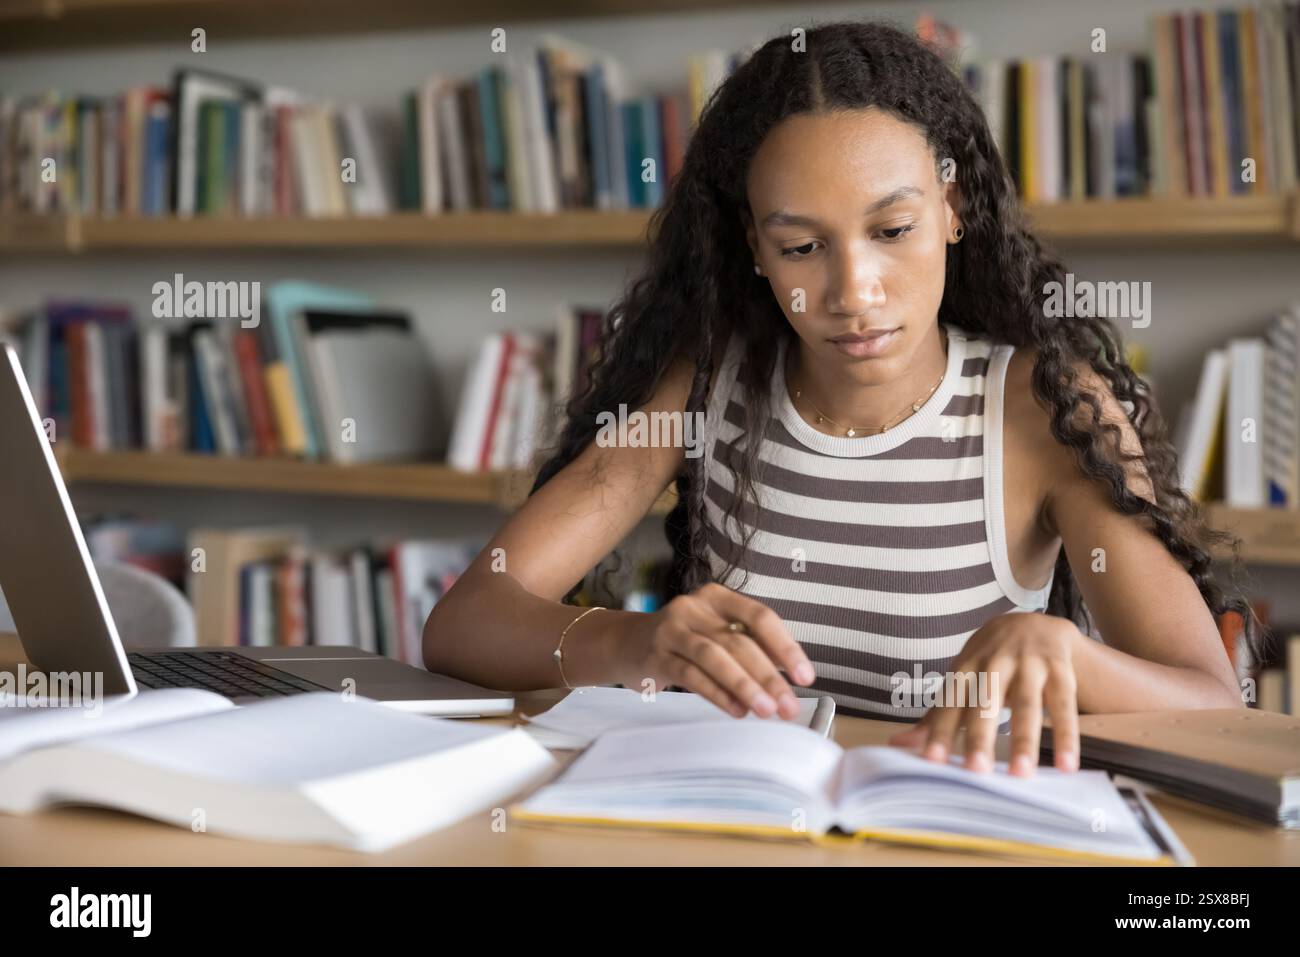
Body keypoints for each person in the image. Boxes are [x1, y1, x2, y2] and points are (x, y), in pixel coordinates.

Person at [425, 21, 1253, 778]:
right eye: (801, 246)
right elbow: (466, 622)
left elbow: (1214, 705)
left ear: (954, 209)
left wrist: (1073, 658)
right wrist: (633, 640)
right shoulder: (709, 386)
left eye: (893, 231)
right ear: (754, 248)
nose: (853, 290)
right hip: (738, 822)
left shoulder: (1040, 406)